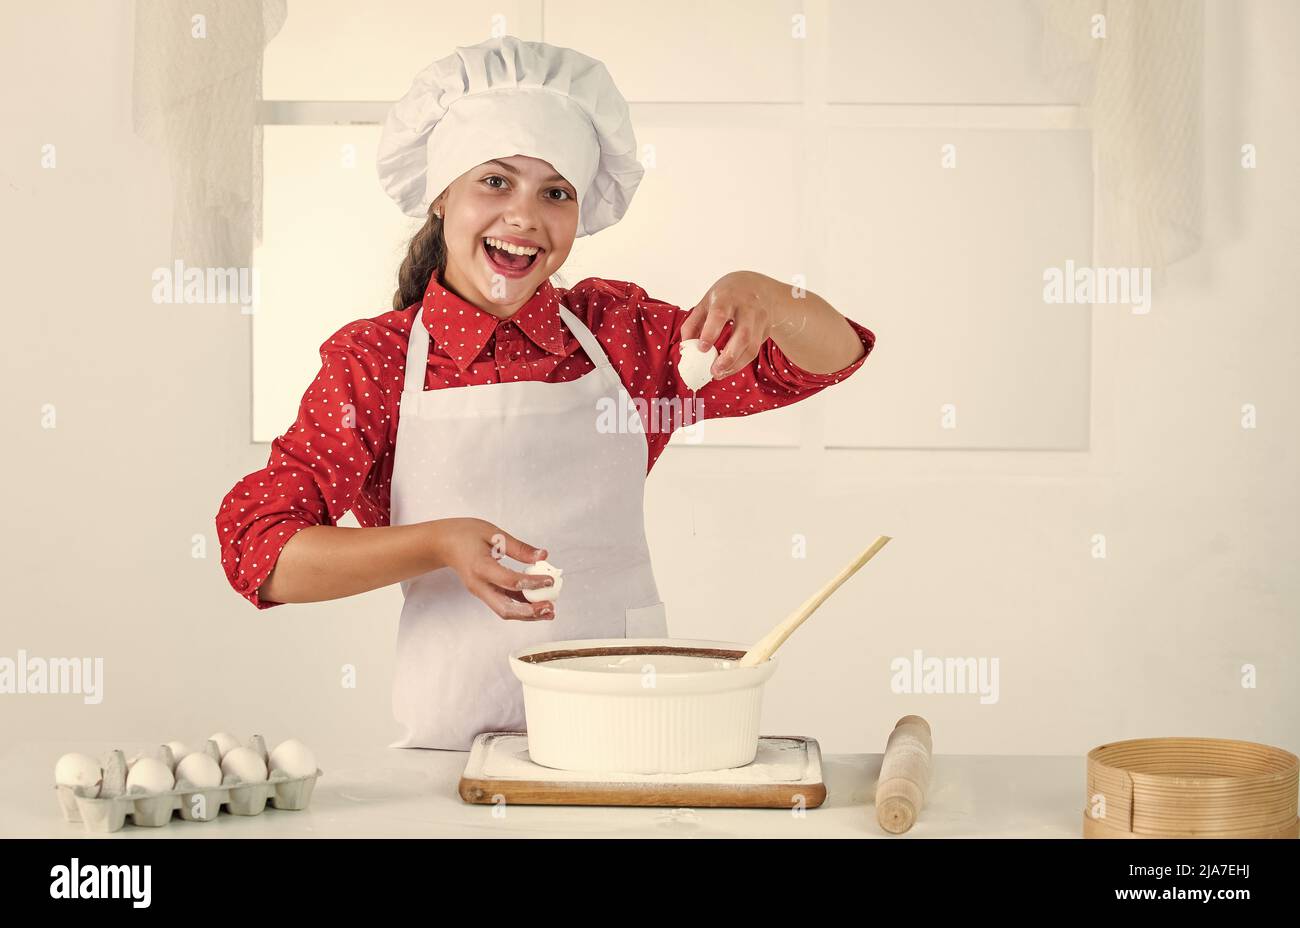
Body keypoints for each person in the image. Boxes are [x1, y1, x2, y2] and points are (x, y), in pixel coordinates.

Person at [214, 35, 876, 750]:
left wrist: (770, 296)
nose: (524, 216)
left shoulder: (621, 338)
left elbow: (826, 359)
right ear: (440, 195)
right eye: (494, 182)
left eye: (555, 192)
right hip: (452, 765)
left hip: (627, 744)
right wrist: (439, 543)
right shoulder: (372, 363)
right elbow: (263, 555)